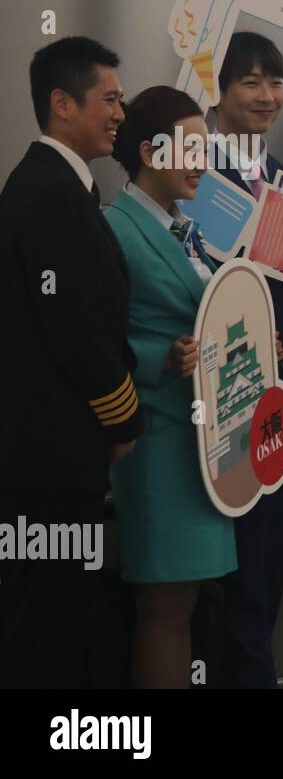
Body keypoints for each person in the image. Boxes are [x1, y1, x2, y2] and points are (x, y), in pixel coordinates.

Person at [0, 36, 141, 688]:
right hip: (49, 466)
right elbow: (76, 334)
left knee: (61, 625)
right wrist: (123, 422)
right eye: (108, 99)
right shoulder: (51, 193)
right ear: (63, 104)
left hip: (53, 463)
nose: (120, 112)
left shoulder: (58, 187)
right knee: (46, 632)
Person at [104, 86, 250, 688]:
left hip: (206, 440)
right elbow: (92, 338)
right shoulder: (114, 227)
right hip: (158, 437)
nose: (201, 161)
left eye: (205, 148)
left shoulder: (189, 230)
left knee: (187, 600)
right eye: (189, 148)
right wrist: (158, 357)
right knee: (164, 606)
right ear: (148, 151)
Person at [208, 30, 283, 687]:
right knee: (226, 571)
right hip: (215, 393)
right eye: (250, 82)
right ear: (217, 93)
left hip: (279, 393)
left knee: (269, 559)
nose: (268, 96)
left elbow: (280, 282)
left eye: (275, 82)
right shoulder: (191, 169)